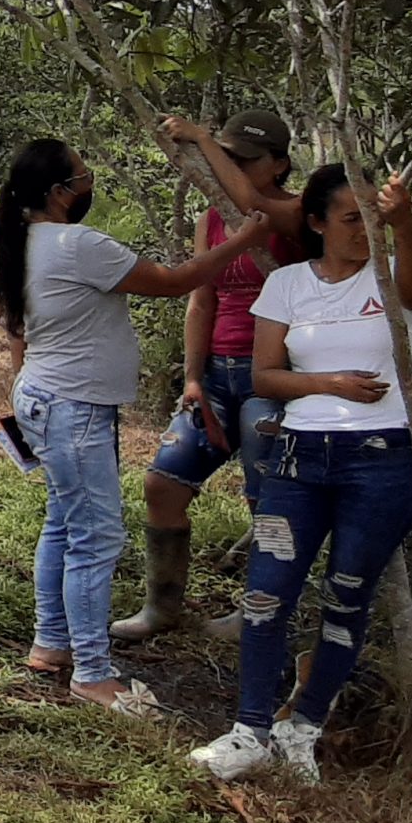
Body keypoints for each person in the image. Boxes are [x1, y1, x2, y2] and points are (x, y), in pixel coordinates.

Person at [0, 139, 269, 713]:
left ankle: (52, 643)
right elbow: (171, 280)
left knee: (65, 522)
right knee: (96, 536)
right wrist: (240, 242)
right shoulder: (76, 243)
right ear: (61, 192)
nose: (91, 183)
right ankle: (92, 671)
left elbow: (20, 332)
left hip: (46, 397)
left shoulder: (23, 242)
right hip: (75, 407)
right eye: (84, 175)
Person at [190, 166, 412, 784]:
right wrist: (330, 383)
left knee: (348, 598)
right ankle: (249, 731)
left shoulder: (395, 274)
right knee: (266, 595)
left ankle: (303, 729)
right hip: (297, 458)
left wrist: (404, 224)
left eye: (373, 218)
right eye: (351, 219)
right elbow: (264, 377)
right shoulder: (289, 284)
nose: (363, 231)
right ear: (316, 223)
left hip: (383, 459)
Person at [113, 111, 303, 641]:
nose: (229, 167)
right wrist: (192, 378)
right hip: (219, 372)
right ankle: (162, 606)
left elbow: (251, 205)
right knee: (162, 483)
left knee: (266, 502)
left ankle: (259, 613)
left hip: (274, 373)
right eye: (226, 155)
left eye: (245, 159)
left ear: (281, 164)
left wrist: (199, 139)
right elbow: (204, 298)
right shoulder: (211, 220)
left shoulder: (296, 214)